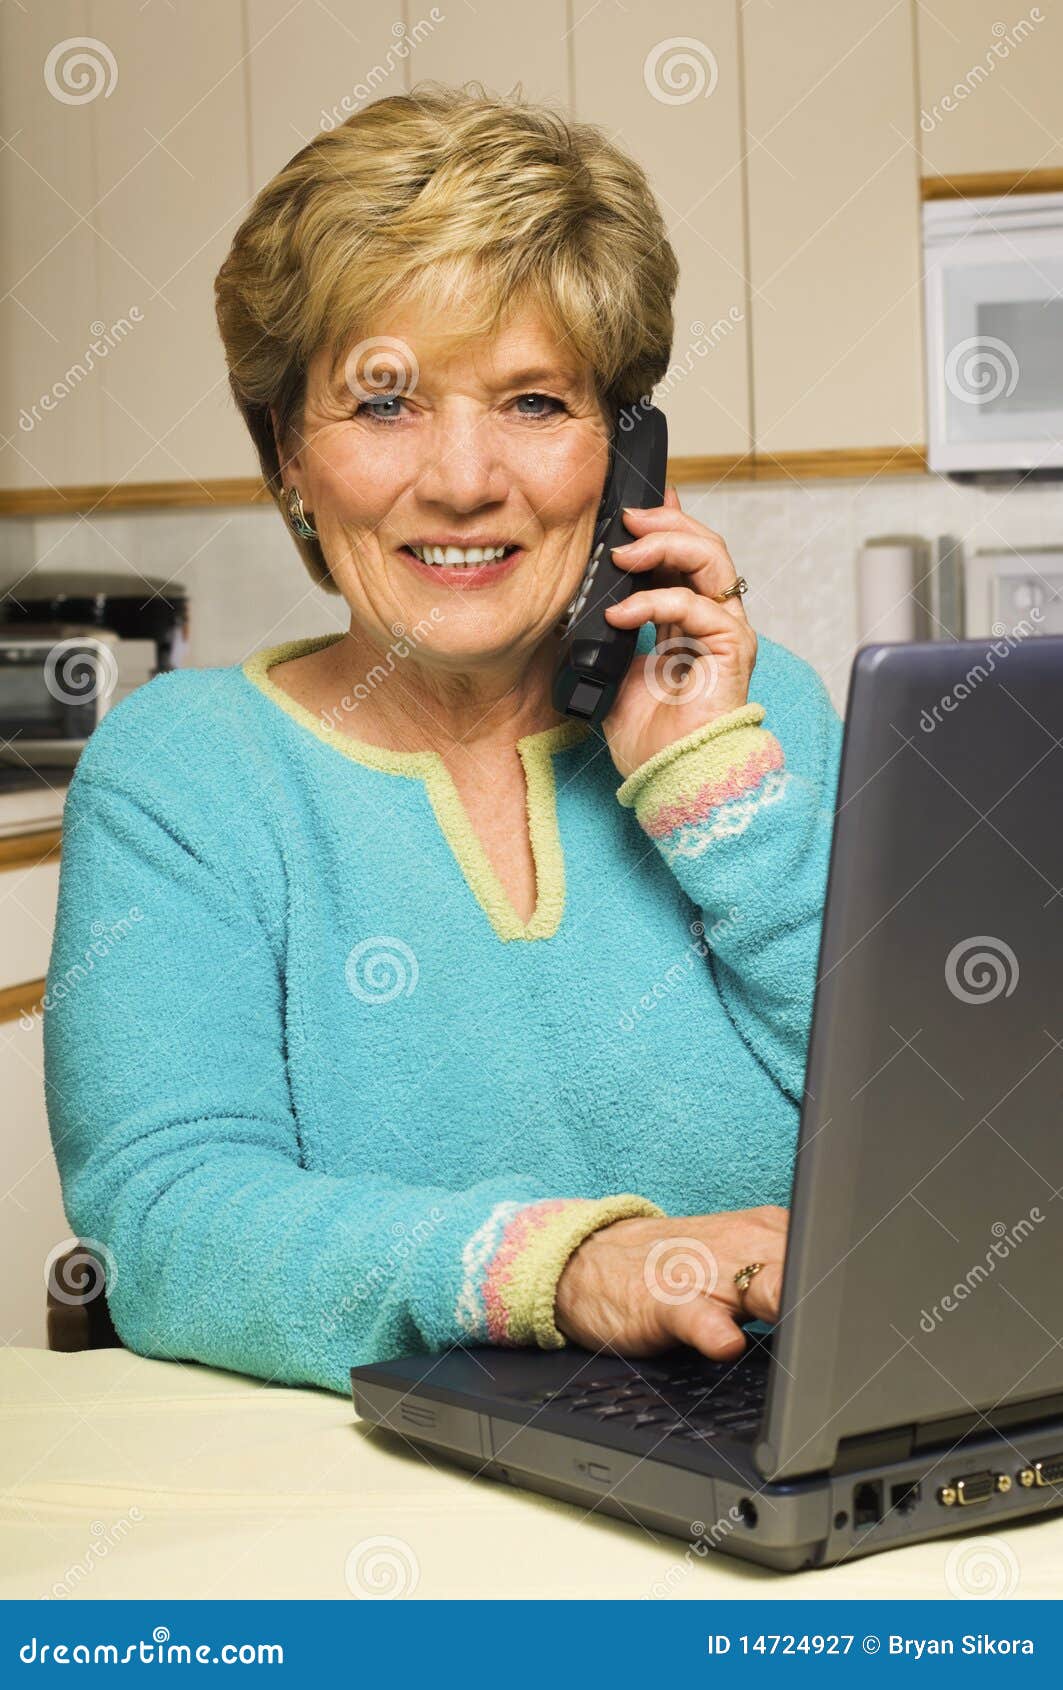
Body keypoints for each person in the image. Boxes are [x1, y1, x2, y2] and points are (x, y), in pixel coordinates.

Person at [43, 84, 842, 1396]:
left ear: (624, 453)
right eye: (384, 402)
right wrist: (567, 1264)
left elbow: (954, 1154)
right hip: (363, 1515)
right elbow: (167, 1217)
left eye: (534, 402)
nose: (465, 478)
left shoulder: (767, 720)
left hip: (777, 1467)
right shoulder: (182, 775)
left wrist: (715, 792)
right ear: (288, 455)